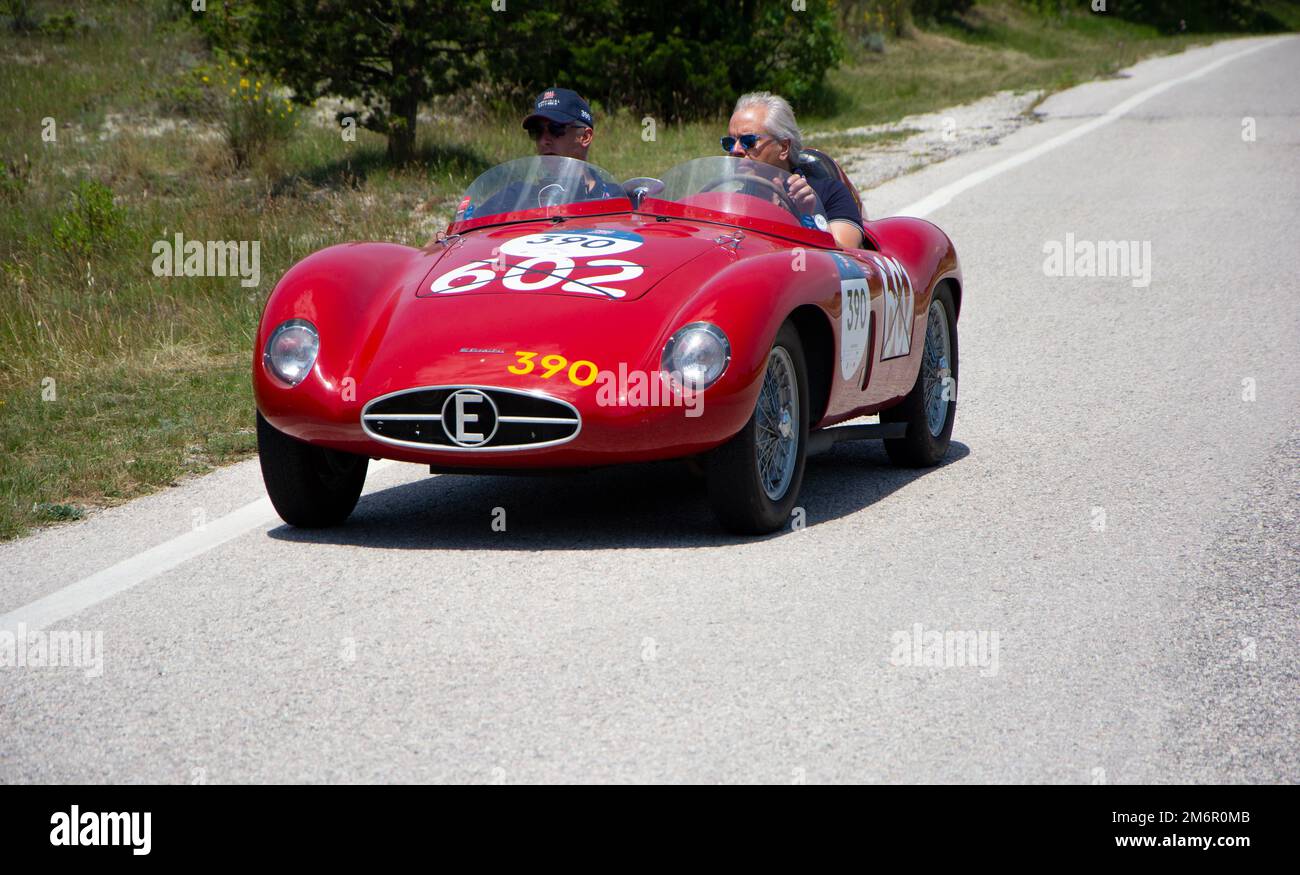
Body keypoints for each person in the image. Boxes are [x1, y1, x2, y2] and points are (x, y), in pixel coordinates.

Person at [723, 92, 865, 249]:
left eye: (748, 141)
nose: (735, 150)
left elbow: (847, 259)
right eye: (729, 142)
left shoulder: (830, 193)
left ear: (784, 148)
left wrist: (807, 215)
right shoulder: (733, 203)